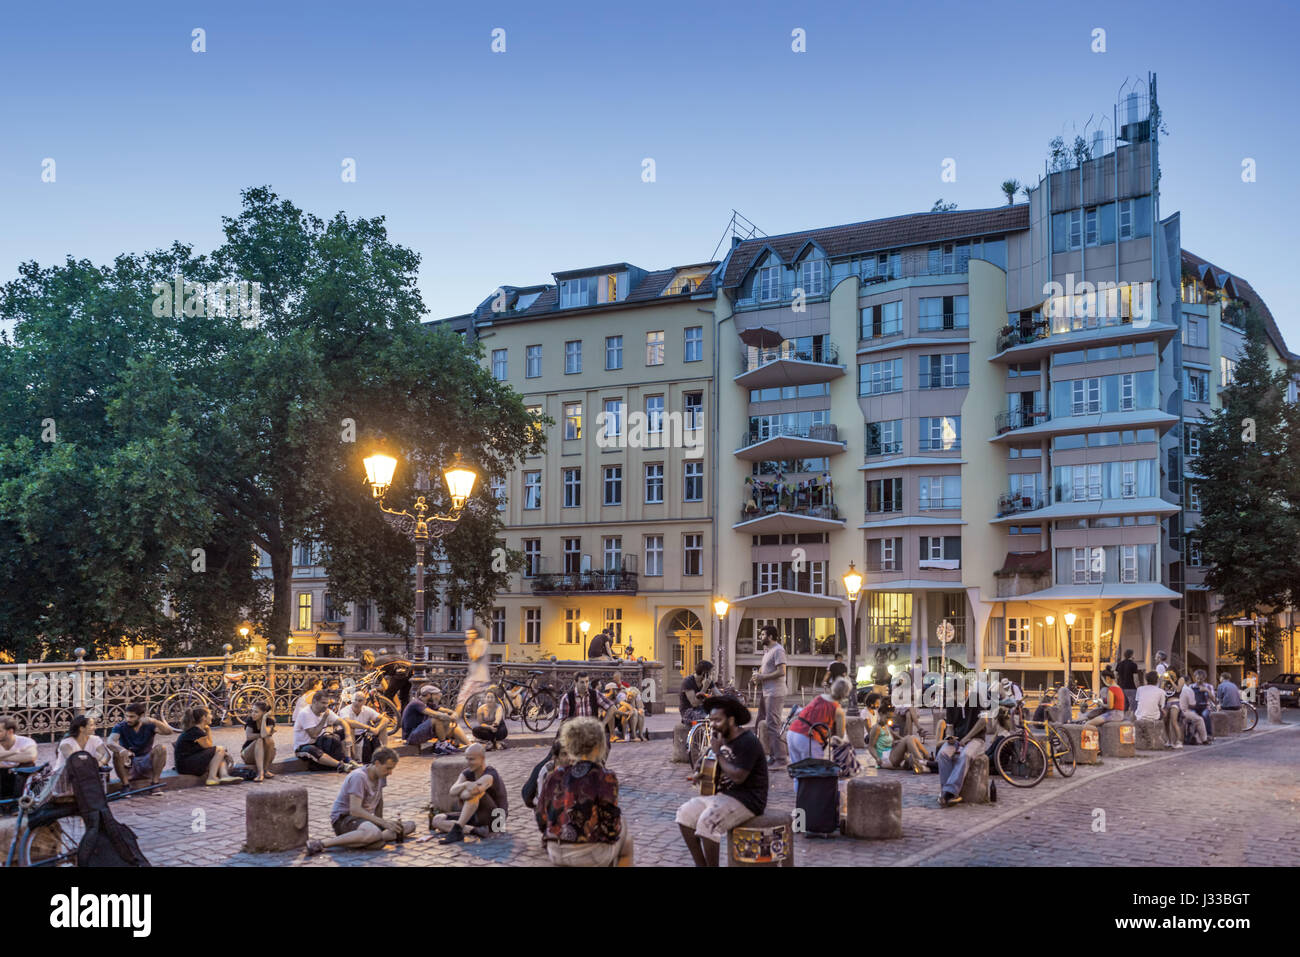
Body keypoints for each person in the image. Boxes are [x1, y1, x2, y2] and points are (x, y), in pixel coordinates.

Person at [676, 696, 768, 867]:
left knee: (707, 823)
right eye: (711, 720)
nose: (712, 725)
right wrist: (699, 772)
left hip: (748, 799)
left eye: (717, 720)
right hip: (723, 796)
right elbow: (705, 765)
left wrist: (718, 753)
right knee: (684, 814)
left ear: (731, 720)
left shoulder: (748, 742)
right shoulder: (720, 739)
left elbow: (738, 777)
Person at [536, 717, 632, 866]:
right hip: (589, 852)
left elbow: (541, 816)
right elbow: (611, 822)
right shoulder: (604, 777)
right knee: (626, 838)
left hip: (555, 849)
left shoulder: (554, 775)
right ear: (598, 746)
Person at [306, 748, 415, 855]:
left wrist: (381, 823)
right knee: (373, 832)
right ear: (377, 763)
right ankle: (322, 843)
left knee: (409, 826)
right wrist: (383, 823)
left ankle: (368, 839)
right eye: (388, 768)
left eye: (392, 769)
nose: (390, 772)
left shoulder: (381, 775)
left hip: (365, 821)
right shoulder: (359, 777)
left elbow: (379, 800)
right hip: (344, 819)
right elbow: (355, 810)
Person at [431, 743, 509, 843]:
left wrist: (462, 793)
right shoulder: (467, 773)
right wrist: (465, 784)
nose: (468, 762)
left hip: (497, 821)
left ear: (482, 759)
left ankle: (457, 830)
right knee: (437, 820)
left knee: (475, 794)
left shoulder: (490, 774)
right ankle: (474, 830)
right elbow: (452, 791)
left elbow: (470, 793)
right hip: (476, 815)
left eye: (472, 759)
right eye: (467, 759)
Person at [786, 677, 849, 793]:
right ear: (845, 694)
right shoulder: (838, 710)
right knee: (815, 774)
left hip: (793, 732)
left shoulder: (818, 698)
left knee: (798, 773)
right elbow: (840, 737)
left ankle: (801, 802)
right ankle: (812, 803)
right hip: (808, 737)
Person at [936, 686, 989, 806]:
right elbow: (950, 727)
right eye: (954, 696)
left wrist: (968, 737)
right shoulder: (951, 702)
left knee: (965, 755)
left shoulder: (976, 697)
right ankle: (946, 792)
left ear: (966, 691)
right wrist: (949, 737)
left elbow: (983, 721)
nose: (956, 698)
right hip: (957, 739)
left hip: (976, 739)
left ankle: (949, 792)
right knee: (942, 754)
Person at [54, 715, 127, 797]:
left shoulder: (95, 739)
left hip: (87, 773)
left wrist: (97, 764)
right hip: (66, 776)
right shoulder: (66, 743)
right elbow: (74, 762)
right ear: (81, 728)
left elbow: (106, 756)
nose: (95, 727)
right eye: (91, 725)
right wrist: (92, 765)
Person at [107, 701, 173, 791]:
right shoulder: (120, 726)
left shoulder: (149, 725)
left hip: (146, 761)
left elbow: (169, 732)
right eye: (126, 716)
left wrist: (154, 721)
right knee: (117, 753)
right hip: (129, 762)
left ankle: (155, 784)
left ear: (141, 716)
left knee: (162, 748)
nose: (128, 719)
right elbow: (110, 742)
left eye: (132, 717)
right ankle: (125, 786)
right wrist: (122, 749)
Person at [174, 708, 243, 785]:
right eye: (210, 714)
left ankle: (224, 775)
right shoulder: (195, 731)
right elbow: (209, 746)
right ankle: (212, 777)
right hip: (185, 766)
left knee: (220, 754)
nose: (212, 716)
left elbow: (209, 749)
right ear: (204, 717)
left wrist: (222, 753)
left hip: (187, 764)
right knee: (220, 749)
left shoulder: (196, 730)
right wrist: (208, 731)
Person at [293, 695, 357, 772]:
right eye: (323, 703)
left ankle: (349, 759)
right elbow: (313, 735)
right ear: (314, 702)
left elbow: (343, 722)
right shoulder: (305, 713)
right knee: (313, 750)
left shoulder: (326, 711)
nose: (325, 706)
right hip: (304, 746)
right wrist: (324, 718)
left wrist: (347, 736)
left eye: (327, 703)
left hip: (320, 741)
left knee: (348, 730)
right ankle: (341, 765)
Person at [754, 625, 788, 767]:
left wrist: (762, 677)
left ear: (770, 636)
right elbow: (764, 669)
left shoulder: (778, 650)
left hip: (775, 692)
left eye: (762, 635)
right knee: (763, 723)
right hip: (766, 691)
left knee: (773, 725)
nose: (760, 637)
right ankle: (772, 756)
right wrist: (757, 677)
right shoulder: (767, 651)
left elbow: (782, 671)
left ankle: (780, 759)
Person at [402, 685, 469, 750]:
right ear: (428, 695)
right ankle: (442, 744)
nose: (437, 697)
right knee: (437, 719)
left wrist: (454, 714)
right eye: (435, 694)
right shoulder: (416, 703)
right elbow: (435, 714)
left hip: (421, 732)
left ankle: (469, 745)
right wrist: (451, 718)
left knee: (453, 726)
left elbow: (446, 710)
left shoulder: (428, 703)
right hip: (411, 736)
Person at [868, 705, 931, 773]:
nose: (889, 720)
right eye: (887, 717)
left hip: (891, 753)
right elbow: (871, 746)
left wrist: (900, 742)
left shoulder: (886, 726)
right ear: (880, 714)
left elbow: (899, 737)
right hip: (885, 758)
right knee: (908, 738)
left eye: (891, 718)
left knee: (911, 737)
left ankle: (927, 757)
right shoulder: (876, 728)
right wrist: (877, 758)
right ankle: (922, 762)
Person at [559, 672, 619, 739]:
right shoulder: (567, 698)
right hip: (575, 735)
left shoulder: (595, 694)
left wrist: (603, 724)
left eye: (587, 682)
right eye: (582, 682)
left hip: (592, 733)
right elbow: (563, 722)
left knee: (606, 745)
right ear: (575, 683)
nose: (585, 685)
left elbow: (612, 708)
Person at [1133, 670, 1182, 749]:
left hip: (1139, 716)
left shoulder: (1139, 689)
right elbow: (1161, 706)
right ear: (1157, 680)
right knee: (1164, 713)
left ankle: (1168, 741)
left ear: (1146, 680)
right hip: (1154, 717)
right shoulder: (1161, 691)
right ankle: (1168, 739)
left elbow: (1138, 701)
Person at [454, 627, 492, 729]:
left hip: (478, 678)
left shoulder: (481, 643)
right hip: (477, 677)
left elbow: (474, 657)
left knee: (462, 699)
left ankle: (453, 723)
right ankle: (488, 723)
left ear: (475, 633)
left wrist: (469, 645)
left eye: (470, 633)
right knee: (482, 701)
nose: (468, 636)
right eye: (467, 634)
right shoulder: (474, 643)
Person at [339, 692, 390, 762]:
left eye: (360, 701)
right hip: (346, 735)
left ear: (364, 702)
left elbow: (385, 719)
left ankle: (384, 753)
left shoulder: (367, 709)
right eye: (355, 700)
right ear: (351, 700)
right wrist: (368, 728)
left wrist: (377, 729)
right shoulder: (345, 710)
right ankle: (353, 758)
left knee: (383, 727)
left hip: (362, 735)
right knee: (350, 727)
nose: (357, 703)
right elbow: (349, 722)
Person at [0, 716, 39, 800]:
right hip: (2, 777)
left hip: (19, 776)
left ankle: (18, 802)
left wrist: (3, 757)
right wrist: (14, 752)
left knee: (28, 764)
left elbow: (31, 756)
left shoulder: (26, 741)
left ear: (10, 731)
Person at [241, 700, 278, 781]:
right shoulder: (250, 720)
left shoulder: (269, 721)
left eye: (256, 712)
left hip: (266, 755)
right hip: (248, 754)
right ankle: (260, 772)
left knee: (270, 740)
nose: (253, 714)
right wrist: (262, 736)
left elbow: (265, 735)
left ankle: (265, 770)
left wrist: (264, 719)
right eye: (252, 711)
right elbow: (249, 737)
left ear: (264, 713)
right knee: (260, 740)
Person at [1178, 671, 1211, 744]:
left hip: (1176, 710)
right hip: (1184, 711)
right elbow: (1192, 704)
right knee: (1199, 719)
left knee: (1198, 715)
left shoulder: (1176, 688)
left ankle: (1194, 736)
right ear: (1188, 681)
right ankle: (1204, 739)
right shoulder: (1188, 689)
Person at [679, 660, 715, 724]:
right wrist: (705, 687)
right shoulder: (688, 682)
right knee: (707, 718)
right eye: (711, 672)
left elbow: (718, 694)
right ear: (704, 673)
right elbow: (694, 703)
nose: (712, 674)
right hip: (688, 711)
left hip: (702, 709)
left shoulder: (708, 681)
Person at [1115, 649, 1140, 713]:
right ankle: (1133, 721)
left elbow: (1115, 676)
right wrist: (1138, 687)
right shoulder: (1133, 665)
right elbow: (1135, 678)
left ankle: (1123, 720)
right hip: (1131, 688)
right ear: (1131, 655)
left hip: (1121, 687)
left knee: (1124, 706)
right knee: (1134, 707)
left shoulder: (1119, 664)